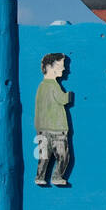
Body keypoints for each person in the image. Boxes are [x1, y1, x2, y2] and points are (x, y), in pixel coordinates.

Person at [34, 53, 71, 186]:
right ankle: (57, 176)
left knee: (43, 156)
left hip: (42, 129)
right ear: (50, 67)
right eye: (61, 66)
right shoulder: (53, 85)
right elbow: (62, 99)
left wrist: (38, 128)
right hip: (57, 129)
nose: (65, 69)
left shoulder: (41, 86)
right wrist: (69, 96)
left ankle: (40, 177)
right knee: (63, 156)